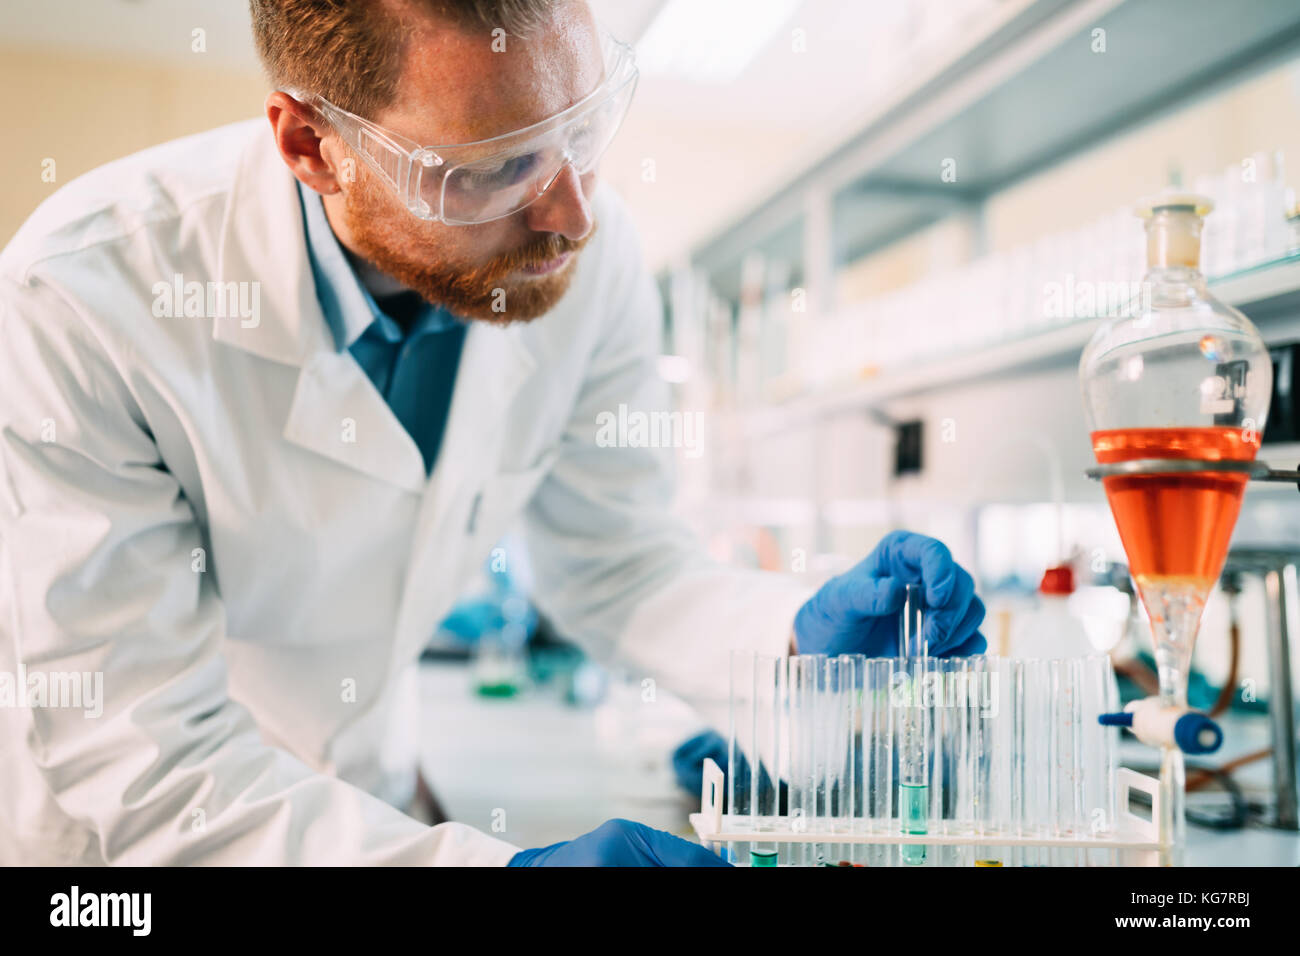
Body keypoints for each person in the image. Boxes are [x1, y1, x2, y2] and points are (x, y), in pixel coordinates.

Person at [0, 0, 985, 866]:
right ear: (311, 147)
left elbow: (619, 562)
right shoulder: (86, 298)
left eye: (584, 124)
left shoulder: (588, 263)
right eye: (494, 168)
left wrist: (792, 643)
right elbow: (147, 757)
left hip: (370, 796)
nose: (573, 215)